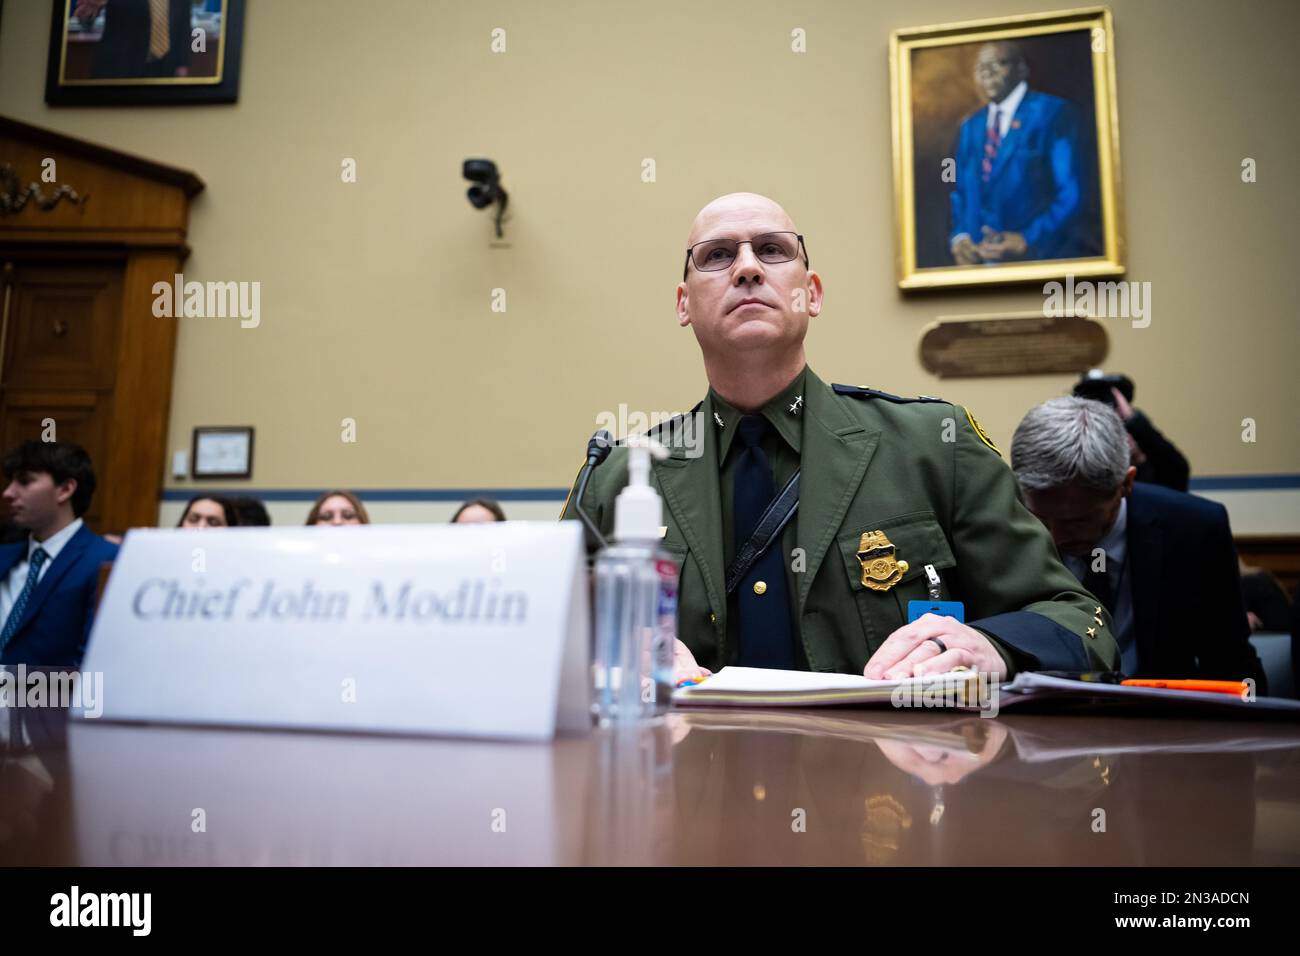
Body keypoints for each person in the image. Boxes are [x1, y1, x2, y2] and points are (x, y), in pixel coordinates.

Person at [562, 192, 1117, 683]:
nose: (748, 268)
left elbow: (1075, 618)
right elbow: (540, 635)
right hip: (682, 785)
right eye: (717, 255)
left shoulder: (934, 447)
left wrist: (991, 647)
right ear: (684, 303)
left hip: (883, 782)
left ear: (813, 293)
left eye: (774, 250)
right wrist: (599, 651)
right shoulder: (617, 478)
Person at [1011, 397, 1264, 686]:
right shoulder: (1002, 529)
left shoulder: (1194, 530)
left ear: (1126, 484)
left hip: (1165, 720)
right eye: (1040, 518)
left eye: (1077, 521)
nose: (1054, 537)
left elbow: (1230, 660)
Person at [948, 41, 1098, 265]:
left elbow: (1071, 194)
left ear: (1022, 70)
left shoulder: (1054, 113)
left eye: (999, 63)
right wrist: (959, 236)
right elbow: (956, 187)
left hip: (1039, 264)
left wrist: (1028, 239)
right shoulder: (970, 126)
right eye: (980, 67)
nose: (986, 72)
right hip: (980, 268)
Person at [0, 441, 119, 667]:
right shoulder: (5, 557)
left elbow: (93, 668)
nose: (8, 493)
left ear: (65, 490)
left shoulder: (106, 560)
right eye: (10, 482)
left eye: (24, 481)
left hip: (47, 700)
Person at [74, 0, 194, 79]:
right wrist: (87, 13)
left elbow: (184, 24)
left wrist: (182, 64)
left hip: (164, 69)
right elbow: (86, 16)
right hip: (120, 68)